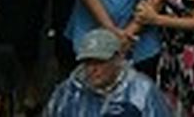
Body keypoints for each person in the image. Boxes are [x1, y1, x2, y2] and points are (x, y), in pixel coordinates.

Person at [44, 27, 173, 117]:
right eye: (88, 62)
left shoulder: (142, 91)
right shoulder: (68, 92)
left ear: (117, 59)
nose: (93, 69)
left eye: (100, 62)